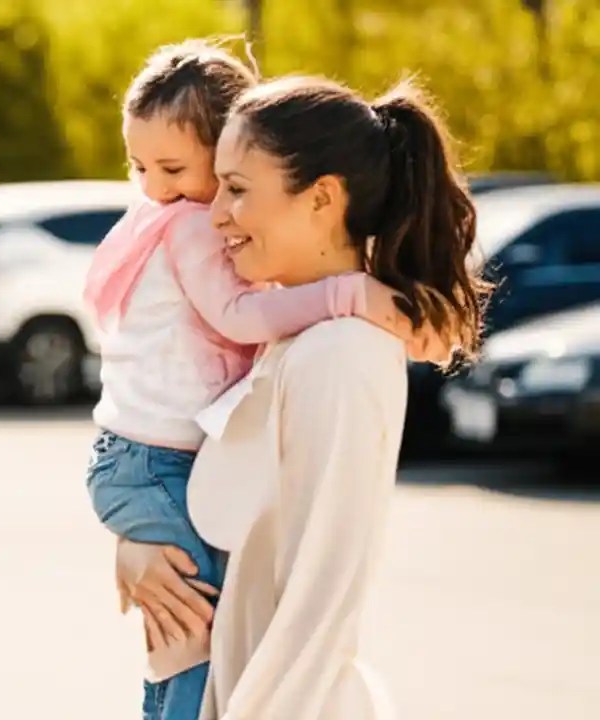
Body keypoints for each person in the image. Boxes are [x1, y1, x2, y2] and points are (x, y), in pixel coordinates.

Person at [82, 41, 440, 720]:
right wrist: (139, 539)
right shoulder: (290, 337)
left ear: (323, 198)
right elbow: (227, 505)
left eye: (235, 190)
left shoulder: (338, 353)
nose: (209, 214)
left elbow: (321, 596)